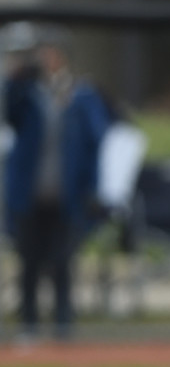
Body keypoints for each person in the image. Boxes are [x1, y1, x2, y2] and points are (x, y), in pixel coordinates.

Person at [3, 24, 114, 342]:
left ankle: (64, 323)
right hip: (29, 192)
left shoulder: (81, 95)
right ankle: (29, 322)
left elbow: (96, 141)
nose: (45, 59)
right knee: (29, 260)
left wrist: (94, 188)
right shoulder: (28, 92)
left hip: (68, 193)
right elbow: (9, 113)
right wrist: (17, 77)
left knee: (63, 260)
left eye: (50, 53)